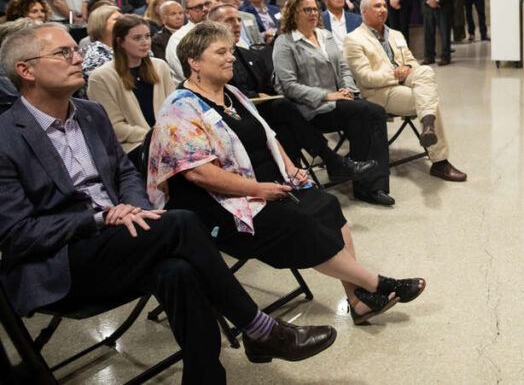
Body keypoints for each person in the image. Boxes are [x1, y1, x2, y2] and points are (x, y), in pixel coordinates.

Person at [0, 23, 337, 382]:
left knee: (178, 271)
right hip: (62, 259)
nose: (78, 57)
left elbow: (126, 175)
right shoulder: (7, 136)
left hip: (122, 237)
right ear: (26, 70)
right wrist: (102, 219)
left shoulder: (89, 113)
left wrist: (134, 207)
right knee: (182, 222)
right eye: (63, 53)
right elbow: (17, 234)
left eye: (75, 50)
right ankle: (260, 329)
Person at [150, 22, 422, 322]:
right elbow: (199, 175)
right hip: (222, 205)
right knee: (298, 220)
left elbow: (268, 135)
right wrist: (259, 190)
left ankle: (357, 299)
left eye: (230, 51)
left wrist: (291, 169)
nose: (231, 57)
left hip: (268, 186)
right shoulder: (180, 108)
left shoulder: (232, 95)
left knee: (327, 204)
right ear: (194, 62)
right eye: (221, 52)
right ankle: (377, 284)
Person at [207, 5, 384, 198]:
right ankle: (330, 161)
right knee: (284, 109)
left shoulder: (248, 54)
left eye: (239, 19)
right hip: (237, 116)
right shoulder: (210, 60)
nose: (236, 24)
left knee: (286, 125)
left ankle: (306, 184)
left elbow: (269, 87)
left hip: (269, 113)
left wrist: (346, 88)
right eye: (229, 21)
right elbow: (220, 94)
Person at [272, 0, 394, 205]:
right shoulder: (285, 42)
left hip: (338, 103)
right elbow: (288, 86)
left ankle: (372, 187)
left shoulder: (325, 35)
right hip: (311, 109)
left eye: (315, 9)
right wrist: (328, 95)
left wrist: (347, 88)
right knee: (368, 112)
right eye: (306, 9)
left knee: (370, 113)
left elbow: (344, 67)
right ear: (293, 14)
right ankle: (364, 183)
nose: (313, 13)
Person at [345, 0, 467, 182]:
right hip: (380, 92)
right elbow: (365, 78)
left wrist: (408, 69)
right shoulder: (354, 39)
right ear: (364, 11)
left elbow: (412, 63)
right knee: (428, 100)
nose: (383, 10)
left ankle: (427, 126)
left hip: (405, 81)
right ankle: (440, 161)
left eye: (385, 6)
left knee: (425, 71)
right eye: (377, 6)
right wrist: (396, 74)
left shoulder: (395, 34)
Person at [86, 14, 174, 163]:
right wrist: (154, 135)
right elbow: (114, 127)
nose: (145, 43)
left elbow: (175, 109)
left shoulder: (160, 66)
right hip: (133, 146)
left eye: (147, 36)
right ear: (120, 42)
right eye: (137, 38)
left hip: (168, 139)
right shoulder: (101, 77)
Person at [165, 0, 210, 82]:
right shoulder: (179, 38)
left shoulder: (219, 31)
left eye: (207, 4)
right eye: (198, 7)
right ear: (187, 13)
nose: (205, 9)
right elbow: (188, 76)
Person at [80, 4, 121, 86]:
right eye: (117, 19)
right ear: (101, 23)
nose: (124, 22)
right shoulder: (94, 55)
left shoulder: (126, 46)